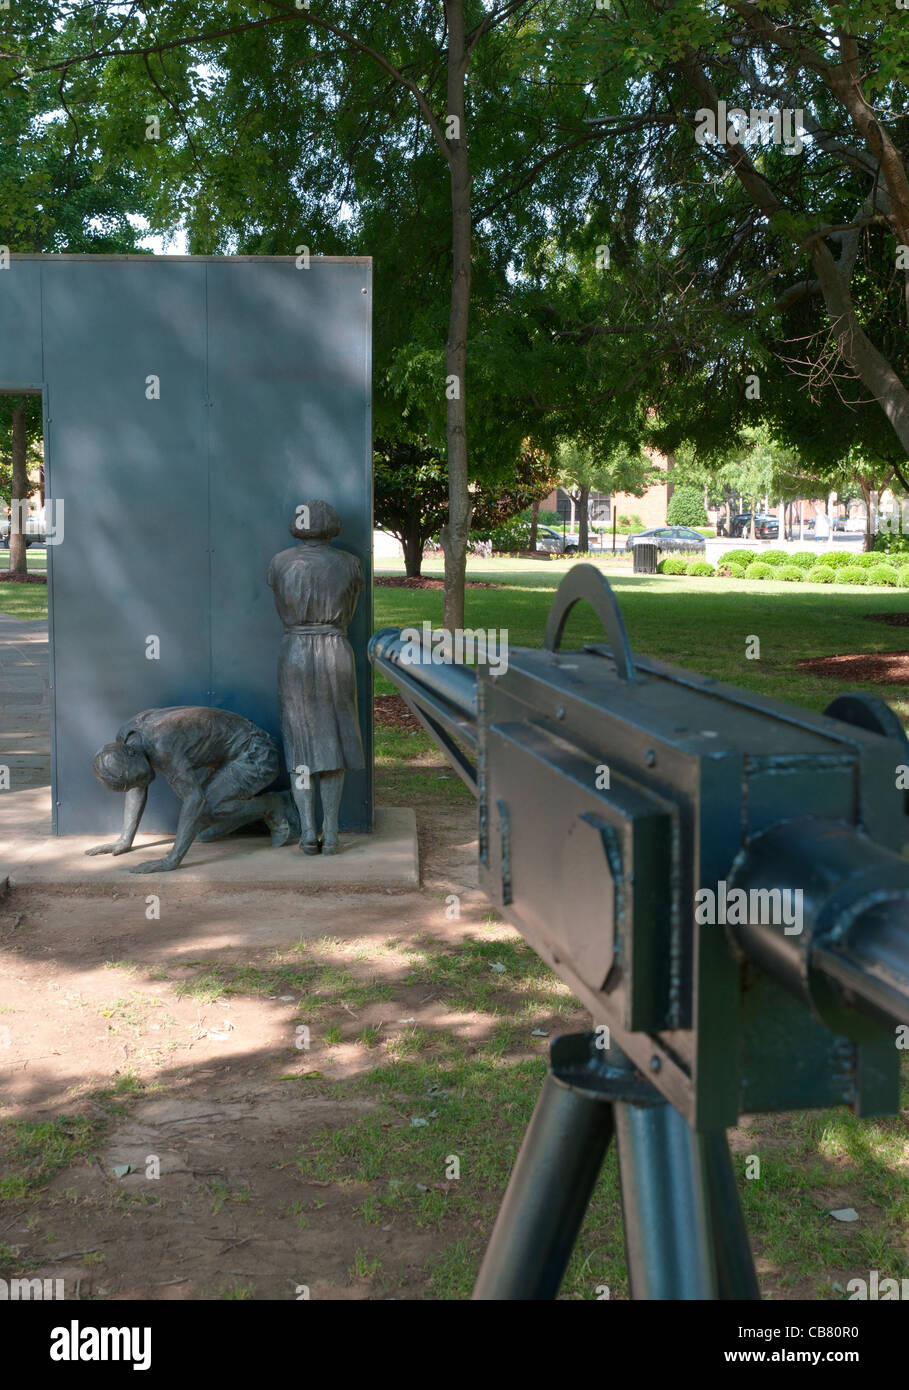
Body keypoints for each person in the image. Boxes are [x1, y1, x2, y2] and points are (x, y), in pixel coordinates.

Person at [86, 707, 296, 873]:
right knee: (202, 832)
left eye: (139, 777)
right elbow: (137, 783)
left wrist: (172, 860)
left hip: (257, 754)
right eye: (133, 782)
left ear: (131, 753)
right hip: (230, 758)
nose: (141, 782)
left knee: (203, 812)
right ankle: (266, 806)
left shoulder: (162, 746)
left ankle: (273, 805)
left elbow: (195, 800)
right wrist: (125, 839)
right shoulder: (127, 738)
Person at [267, 500, 364, 855]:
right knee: (334, 741)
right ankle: (332, 831)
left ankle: (309, 832)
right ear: (332, 525)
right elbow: (350, 608)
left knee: (300, 744)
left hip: (293, 653)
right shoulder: (350, 565)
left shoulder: (279, 563)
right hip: (335, 649)